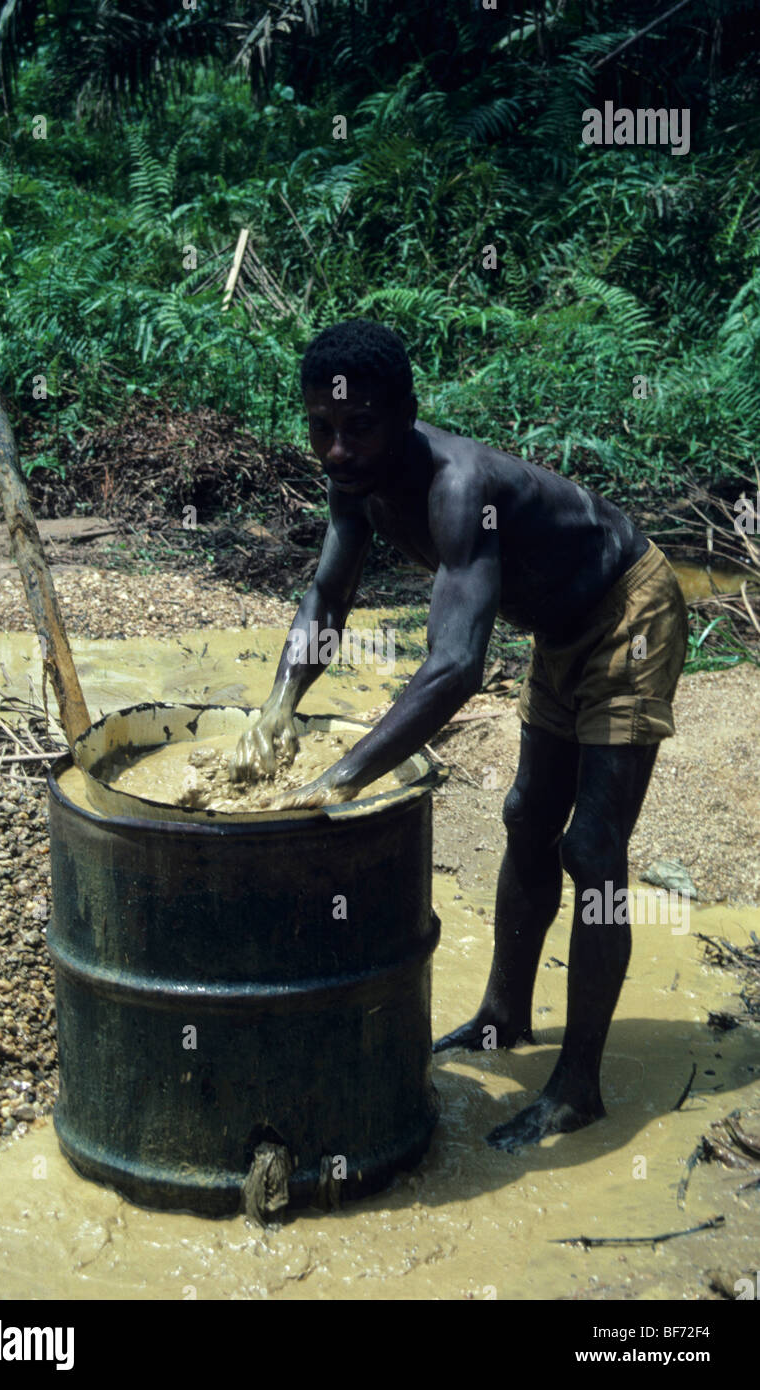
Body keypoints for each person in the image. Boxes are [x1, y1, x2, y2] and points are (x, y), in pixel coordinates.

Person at [231, 318, 688, 1150]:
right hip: (557, 629)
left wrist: (340, 778)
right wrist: (278, 702)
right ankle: (502, 1018)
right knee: (523, 818)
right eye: (320, 429)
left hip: (628, 611)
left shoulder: (456, 487)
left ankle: (578, 1085)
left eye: (359, 426)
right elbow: (328, 601)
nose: (337, 449)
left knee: (591, 849)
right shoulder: (351, 479)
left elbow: (452, 668)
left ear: (406, 413)